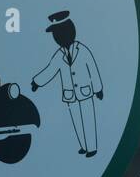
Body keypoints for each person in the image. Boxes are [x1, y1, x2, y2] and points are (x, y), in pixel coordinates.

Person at [31, 9, 104, 157]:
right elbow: (50, 70)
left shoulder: (82, 50)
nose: (57, 37)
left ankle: (92, 148)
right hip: (70, 95)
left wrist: (98, 88)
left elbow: (92, 68)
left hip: (85, 92)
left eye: (58, 33)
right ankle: (83, 146)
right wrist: (37, 82)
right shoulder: (60, 55)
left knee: (88, 120)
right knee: (77, 121)